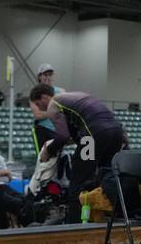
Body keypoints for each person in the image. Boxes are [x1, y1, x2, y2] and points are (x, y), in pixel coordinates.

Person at [29, 86, 129, 218]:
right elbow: (78, 130)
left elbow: (62, 137)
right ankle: (109, 215)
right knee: (106, 177)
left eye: (37, 104)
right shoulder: (76, 95)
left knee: (80, 181)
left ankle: (73, 223)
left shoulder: (53, 104)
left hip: (93, 134)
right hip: (116, 133)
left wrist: (48, 150)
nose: (39, 108)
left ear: (44, 97)